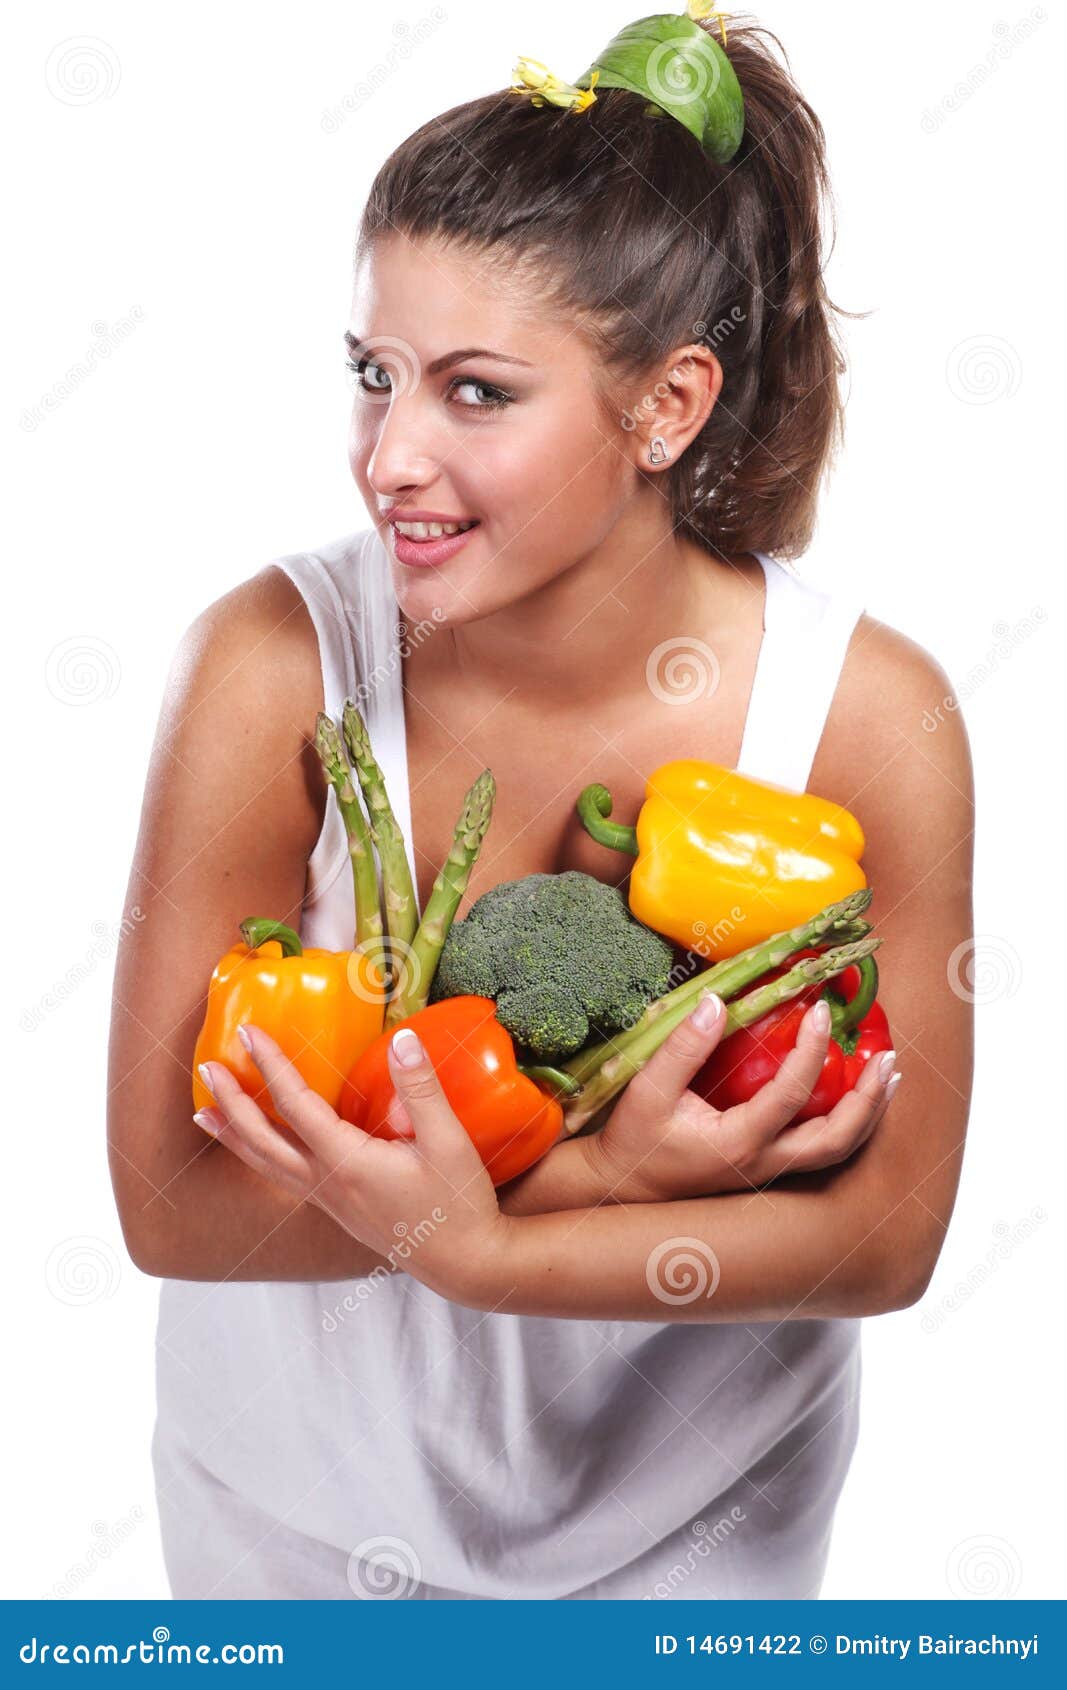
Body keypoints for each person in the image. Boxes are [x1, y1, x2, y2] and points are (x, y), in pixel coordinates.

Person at [107, 5, 973, 1601]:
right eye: (374, 375)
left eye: (477, 393)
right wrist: (599, 1170)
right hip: (288, 1517)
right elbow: (173, 1200)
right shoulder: (268, 666)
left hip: (694, 1532)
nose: (390, 456)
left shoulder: (865, 713)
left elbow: (889, 1236)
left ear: (668, 407)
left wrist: (481, 1246)